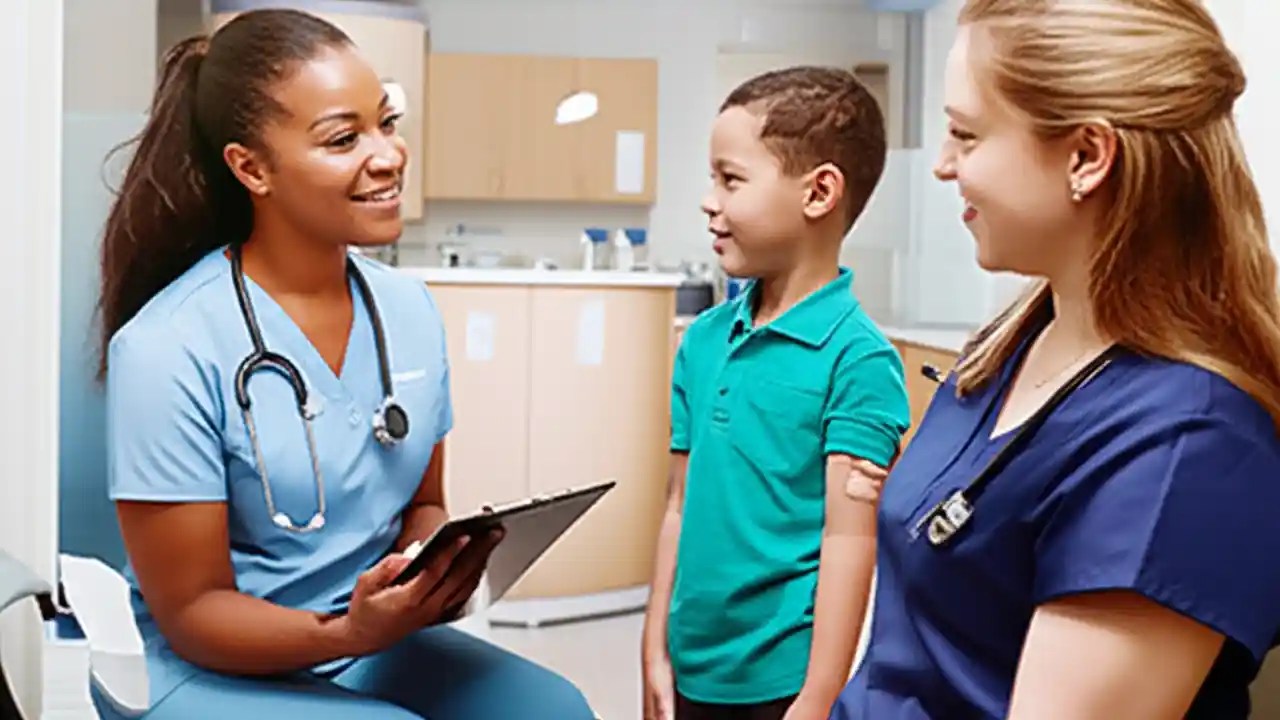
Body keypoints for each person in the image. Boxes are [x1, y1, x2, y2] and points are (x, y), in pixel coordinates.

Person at [94, 10, 595, 719]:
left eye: (386, 122)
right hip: (204, 662)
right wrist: (351, 629)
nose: (388, 154)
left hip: (365, 642)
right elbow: (193, 611)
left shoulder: (409, 311)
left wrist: (430, 572)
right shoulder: (168, 345)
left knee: (555, 710)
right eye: (343, 138)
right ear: (251, 168)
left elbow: (421, 504)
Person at [830, 1, 1280, 718]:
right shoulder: (1014, 344)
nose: (943, 165)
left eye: (966, 134)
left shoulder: (1186, 450)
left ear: (1086, 156)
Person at [642, 67, 911, 720]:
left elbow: (852, 542)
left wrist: (820, 695)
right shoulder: (702, 342)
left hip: (782, 683)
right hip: (690, 667)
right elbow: (678, 504)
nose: (709, 200)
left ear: (819, 192)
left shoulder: (859, 359)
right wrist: (654, 646)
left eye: (730, 179)